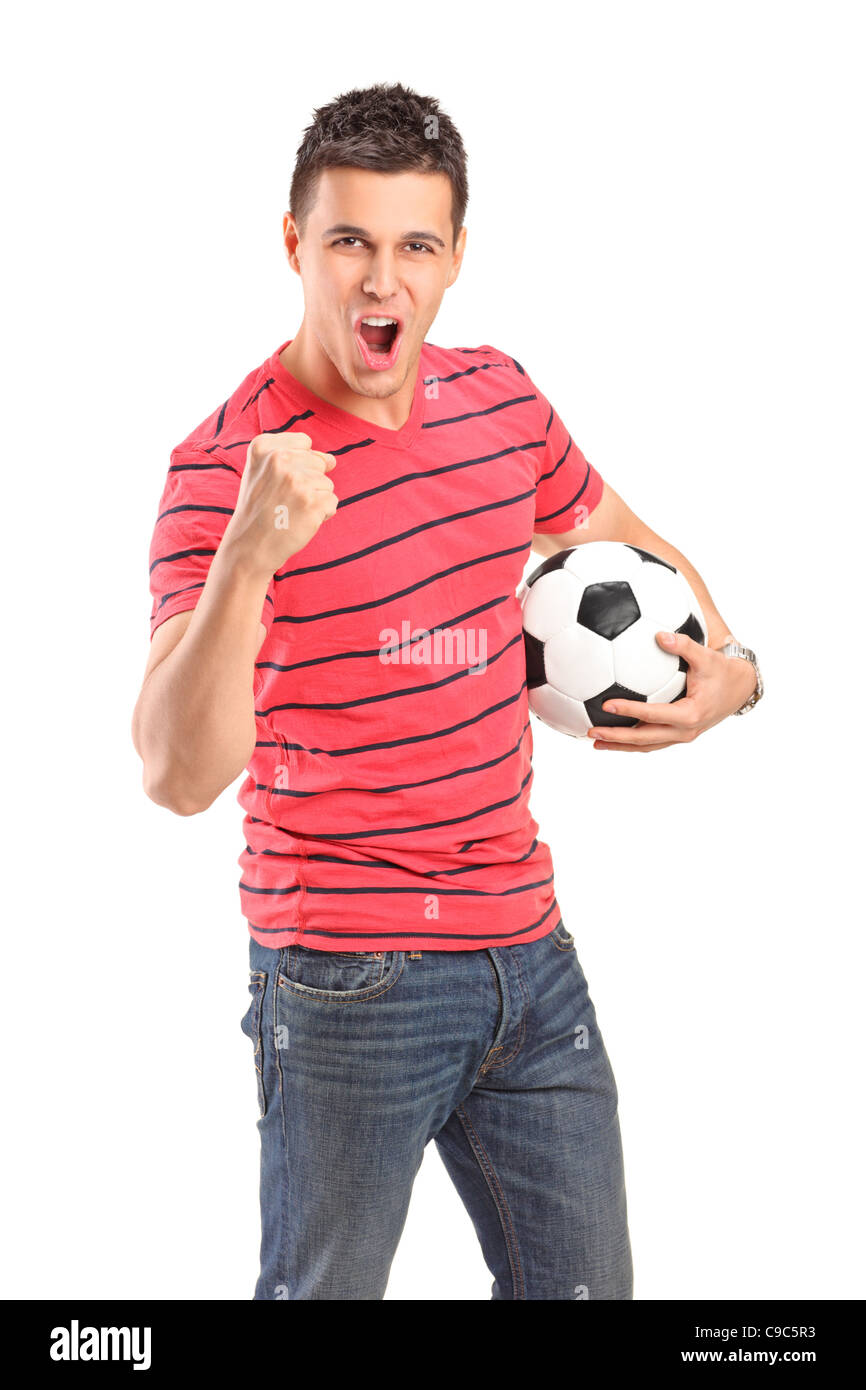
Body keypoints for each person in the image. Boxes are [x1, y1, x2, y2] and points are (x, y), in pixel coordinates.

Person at [132, 82, 762, 1301]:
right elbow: (175, 774)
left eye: (414, 245)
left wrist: (732, 677)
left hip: (528, 960)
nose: (383, 283)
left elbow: (631, 549)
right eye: (349, 242)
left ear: (456, 255)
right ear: (293, 246)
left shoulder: (500, 404)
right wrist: (248, 558)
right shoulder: (223, 470)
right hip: (344, 979)